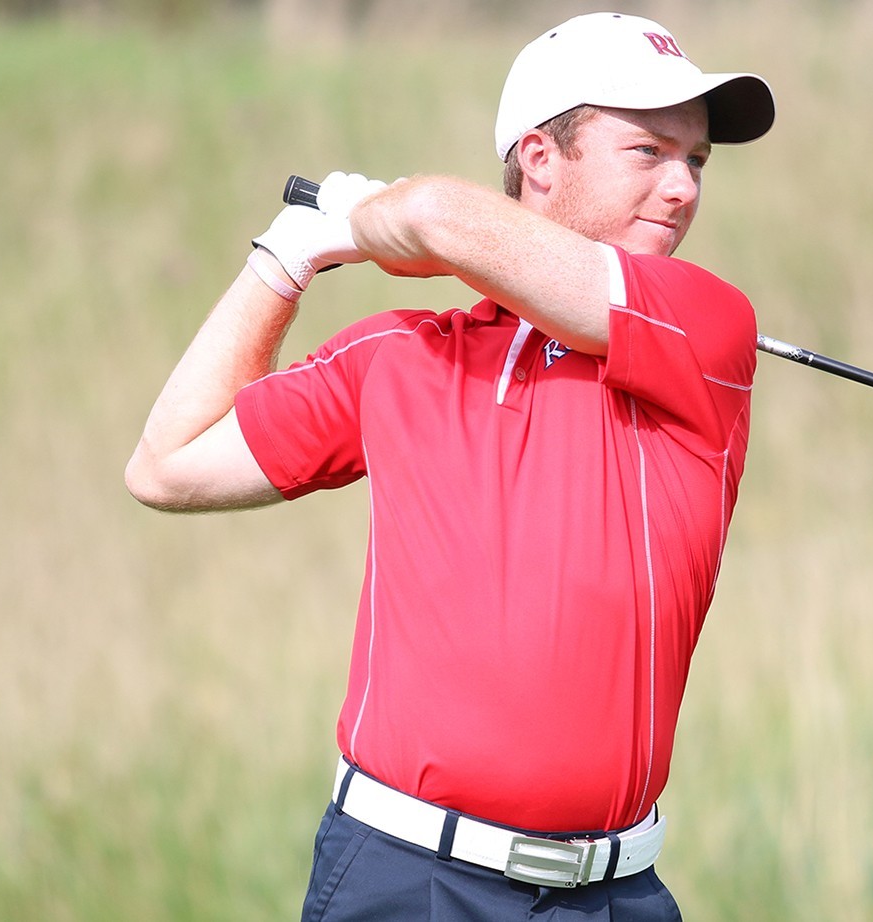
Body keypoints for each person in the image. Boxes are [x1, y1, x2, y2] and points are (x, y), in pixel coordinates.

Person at [124, 12, 775, 921]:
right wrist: (289, 255)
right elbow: (167, 464)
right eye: (649, 152)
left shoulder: (706, 331)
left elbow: (434, 214)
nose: (682, 189)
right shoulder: (400, 355)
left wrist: (377, 219)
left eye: (697, 161)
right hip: (405, 880)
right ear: (541, 158)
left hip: (615, 896)